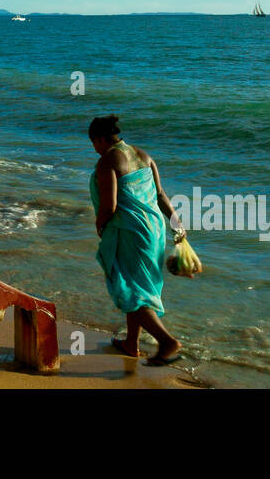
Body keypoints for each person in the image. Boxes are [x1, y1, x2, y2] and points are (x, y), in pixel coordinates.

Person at [88, 114, 183, 364]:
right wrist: (178, 226)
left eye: (94, 144)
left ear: (99, 139)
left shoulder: (108, 160)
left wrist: (100, 225)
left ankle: (167, 341)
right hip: (155, 230)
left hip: (131, 232)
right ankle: (131, 344)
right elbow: (161, 195)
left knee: (129, 290)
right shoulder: (144, 155)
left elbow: (110, 206)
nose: (95, 150)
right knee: (138, 287)